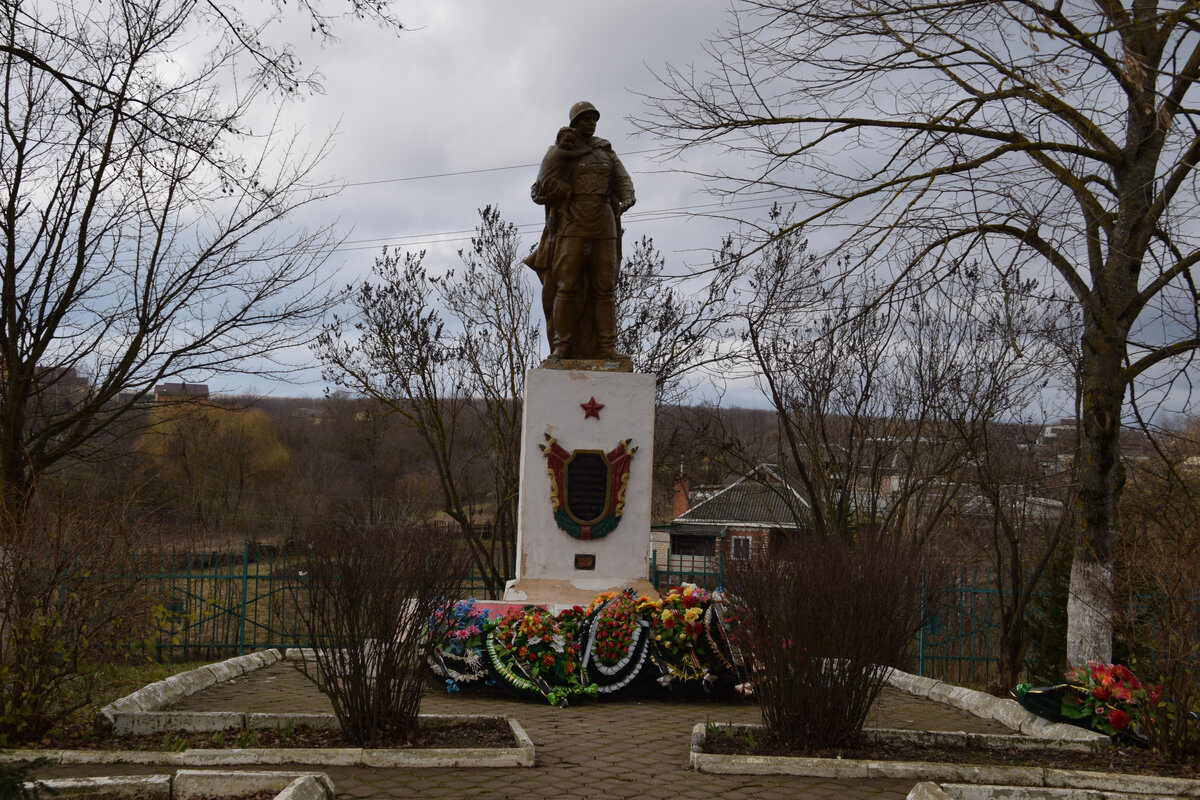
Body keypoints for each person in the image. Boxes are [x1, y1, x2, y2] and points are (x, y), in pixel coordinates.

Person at [530, 101, 635, 361]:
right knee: (567, 286)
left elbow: (621, 178)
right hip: (572, 223)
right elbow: (541, 186)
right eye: (585, 119)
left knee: (605, 288)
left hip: (603, 223)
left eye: (593, 119)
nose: (591, 123)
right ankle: (562, 346)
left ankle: (606, 346)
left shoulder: (604, 150)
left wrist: (628, 195)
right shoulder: (560, 150)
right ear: (575, 123)